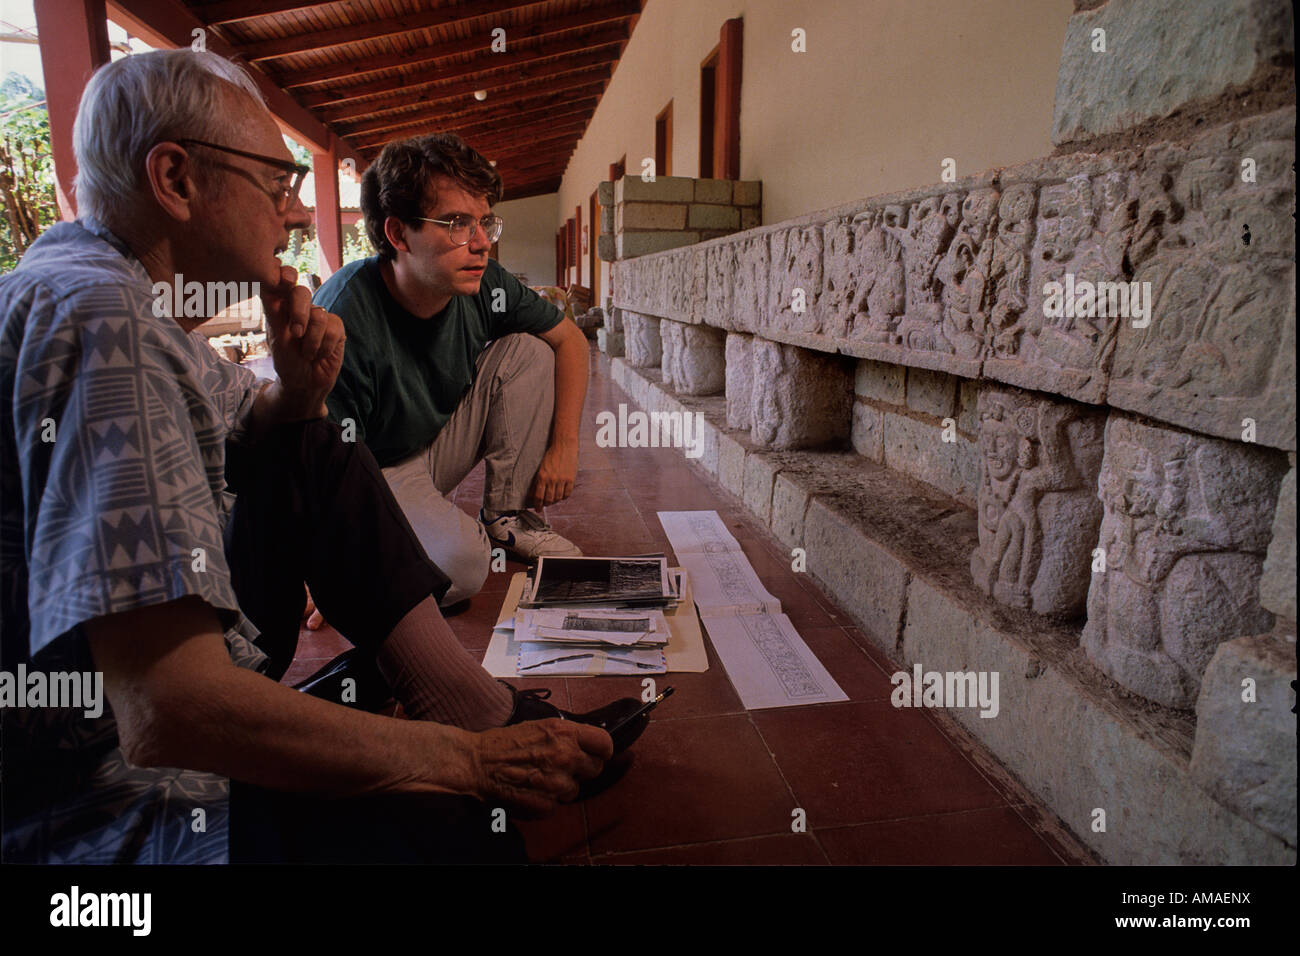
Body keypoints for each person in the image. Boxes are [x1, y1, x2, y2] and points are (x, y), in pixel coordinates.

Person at [0, 49, 643, 865]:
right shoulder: (108, 327)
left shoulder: (103, 289)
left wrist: (298, 391)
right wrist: (471, 769)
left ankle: (467, 703)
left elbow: (274, 453)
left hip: (147, 719)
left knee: (313, 438)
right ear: (176, 178)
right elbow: (165, 712)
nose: (295, 213)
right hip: (100, 793)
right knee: (468, 844)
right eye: (276, 182)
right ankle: (475, 728)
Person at [314, 133, 590, 608]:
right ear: (398, 234)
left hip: (436, 441)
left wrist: (565, 445)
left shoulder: (484, 282)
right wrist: (326, 558)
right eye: (457, 224)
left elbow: (570, 340)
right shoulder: (344, 317)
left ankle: (508, 518)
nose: (482, 244)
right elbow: (319, 466)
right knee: (461, 568)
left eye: (485, 223)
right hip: (373, 471)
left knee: (531, 347)